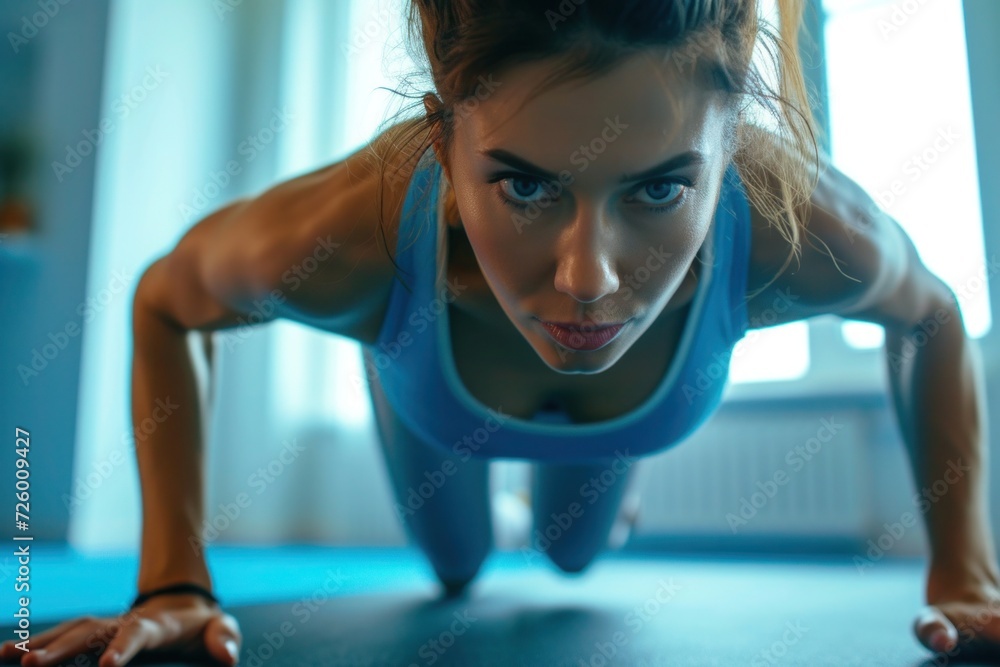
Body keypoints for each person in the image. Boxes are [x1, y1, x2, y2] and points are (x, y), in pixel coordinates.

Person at [4, 0, 1000, 665]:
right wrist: (172, 578)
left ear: (728, 142)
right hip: (432, 407)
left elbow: (934, 314)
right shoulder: (348, 236)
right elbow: (165, 301)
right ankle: (405, 375)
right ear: (442, 135)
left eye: (659, 187)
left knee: (572, 558)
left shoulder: (802, 232)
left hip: (621, 427)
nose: (586, 278)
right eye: (523, 184)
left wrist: (966, 575)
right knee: (456, 566)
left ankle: (609, 486)